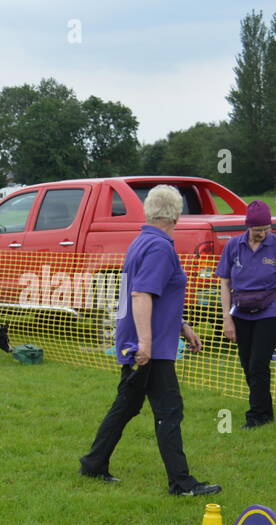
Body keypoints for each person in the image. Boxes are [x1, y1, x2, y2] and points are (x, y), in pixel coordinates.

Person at [78, 185, 220, 496]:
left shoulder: (143, 241)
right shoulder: (159, 247)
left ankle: (93, 462)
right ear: (177, 214)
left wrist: (182, 325)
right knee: (169, 411)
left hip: (143, 342)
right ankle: (181, 484)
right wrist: (146, 344)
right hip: (151, 349)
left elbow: (159, 296)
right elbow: (142, 294)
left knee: (126, 405)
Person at [218, 200, 276, 429]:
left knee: (258, 365)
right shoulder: (233, 246)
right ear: (247, 227)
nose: (262, 234)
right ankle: (265, 410)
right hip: (240, 312)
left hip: (269, 312)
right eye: (257, 230)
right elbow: (224, 283)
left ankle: (257, 416)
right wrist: (226, 317)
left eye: (266, 229)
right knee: (247, 365)